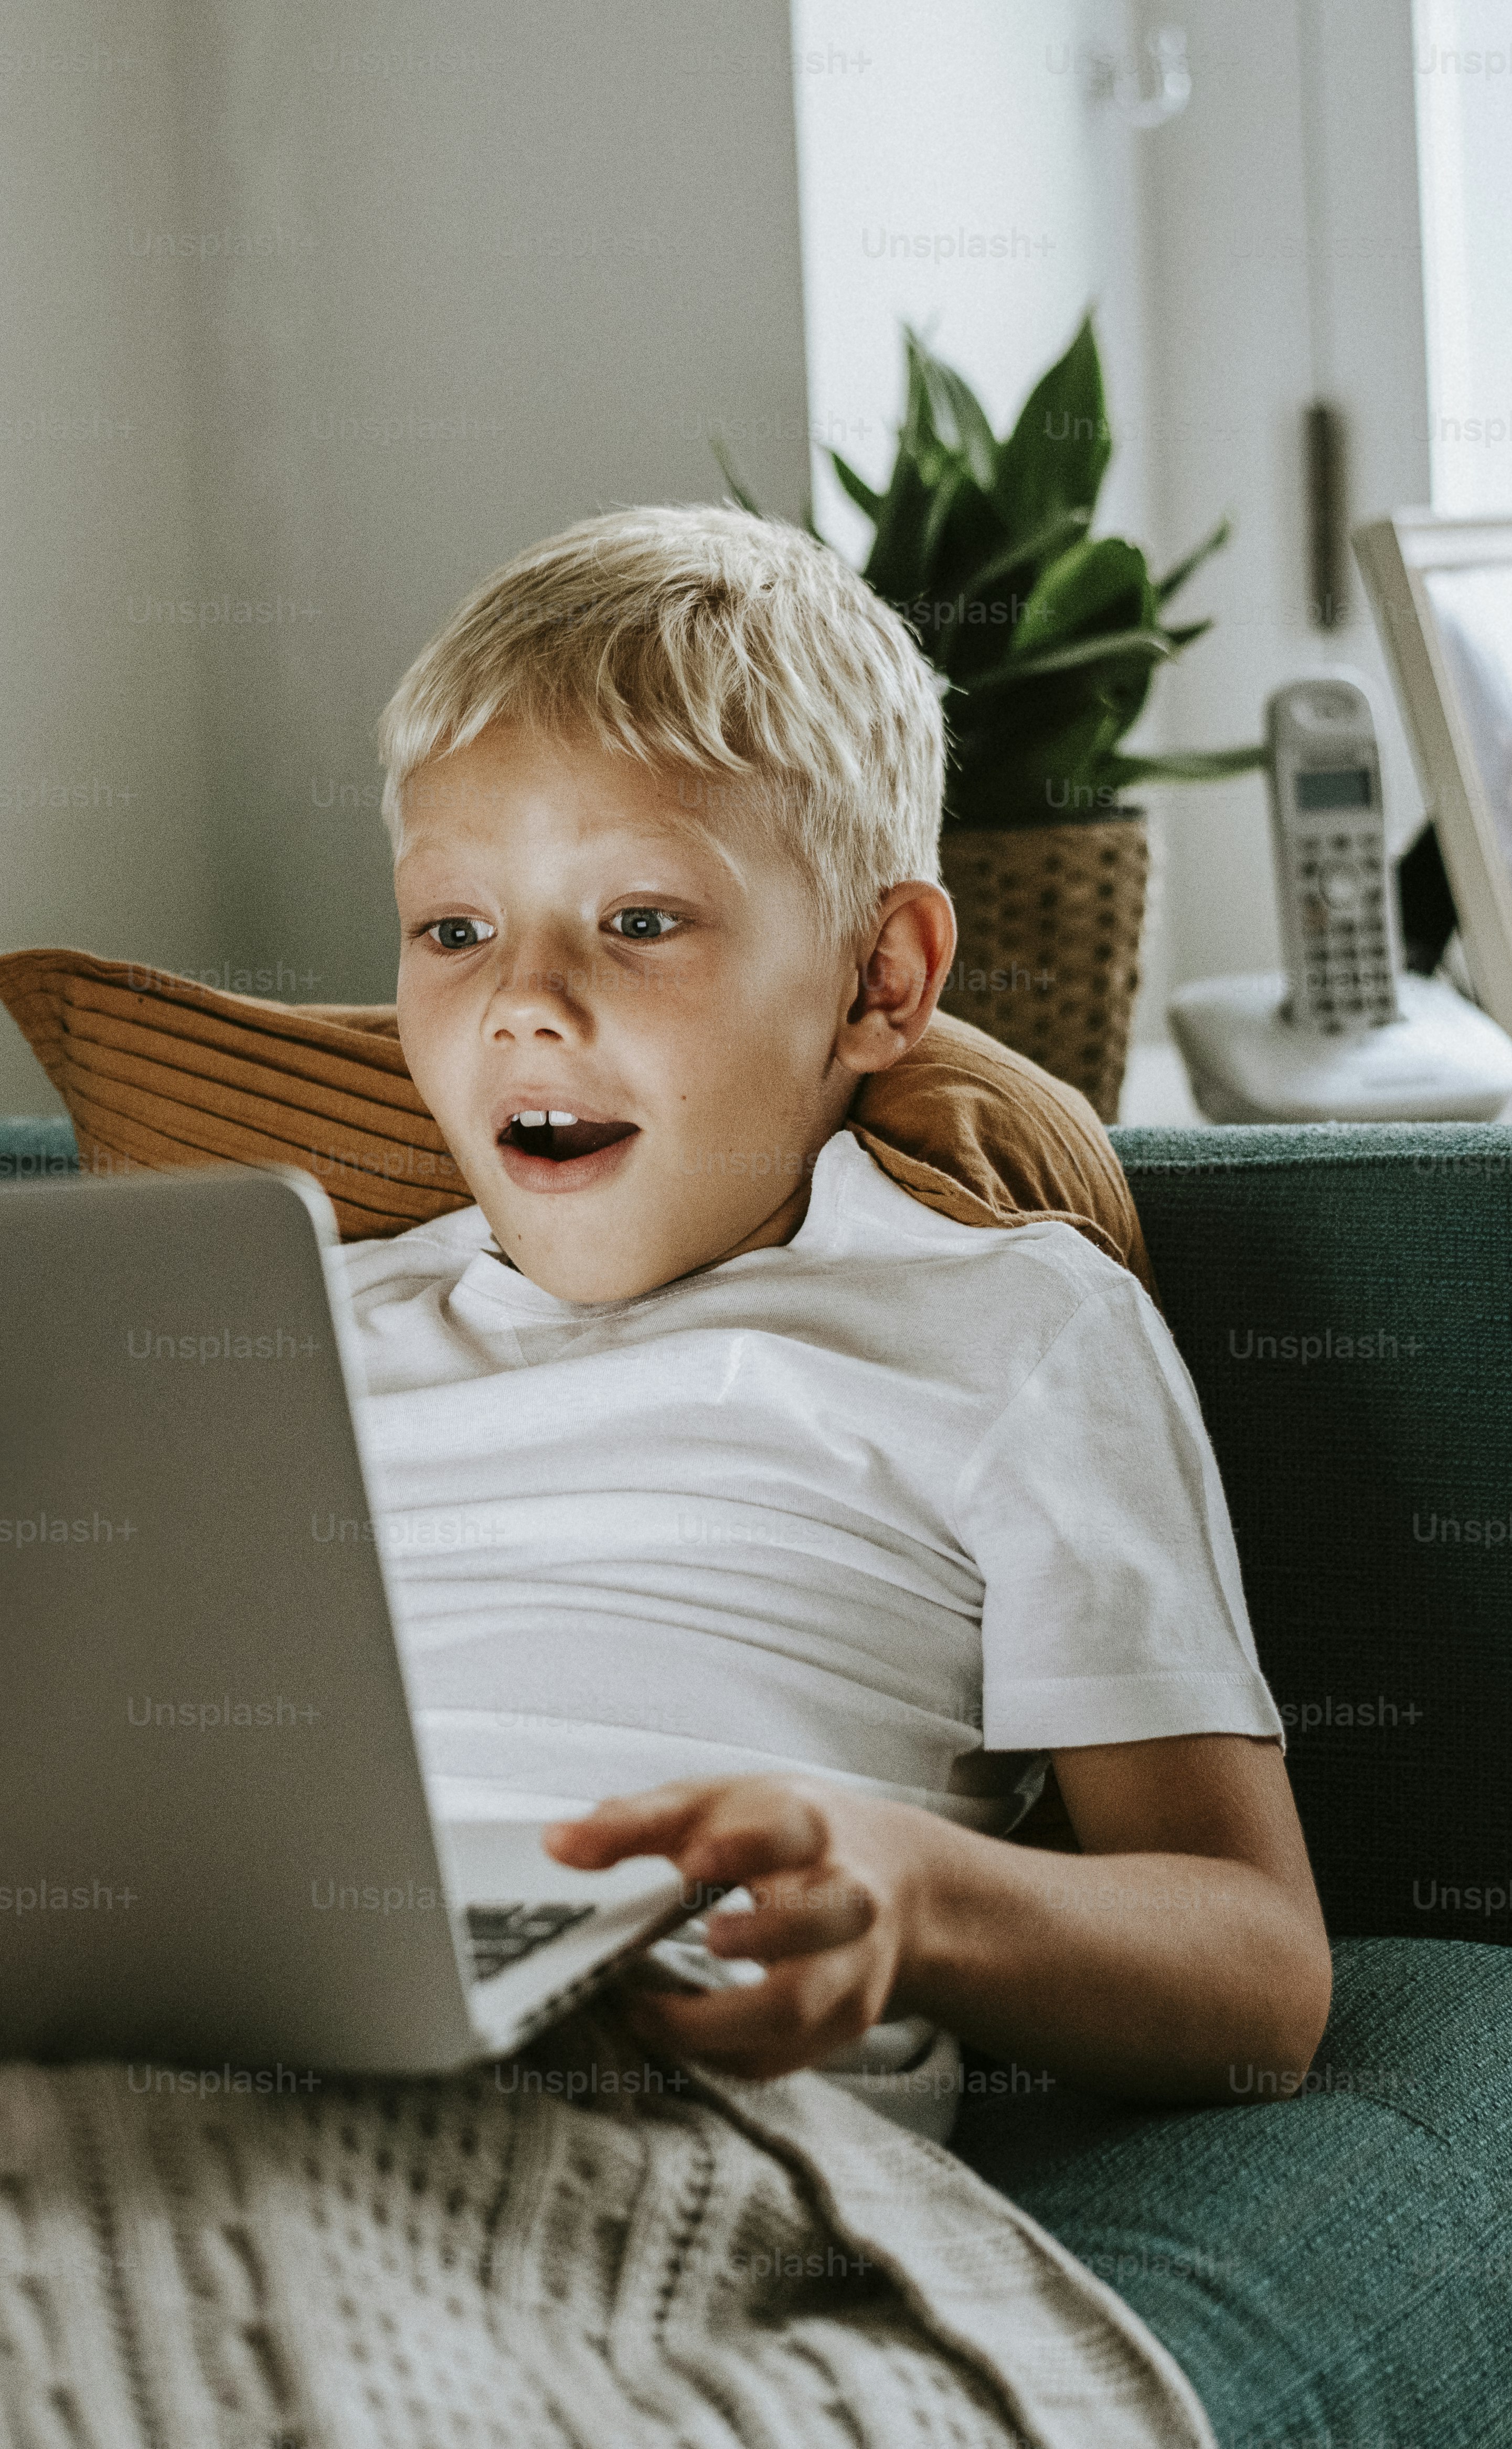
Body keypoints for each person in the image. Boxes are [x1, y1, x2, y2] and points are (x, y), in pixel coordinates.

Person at [344, 504, 1329, 2102]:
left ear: (882, 978)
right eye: (455, 930)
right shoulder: (289, 1326)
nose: (521, 1001)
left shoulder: (1007, 1331)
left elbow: (1260, 1979)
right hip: (233, 2051)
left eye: (639, 920)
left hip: (661, 2100)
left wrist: (916, 1897)